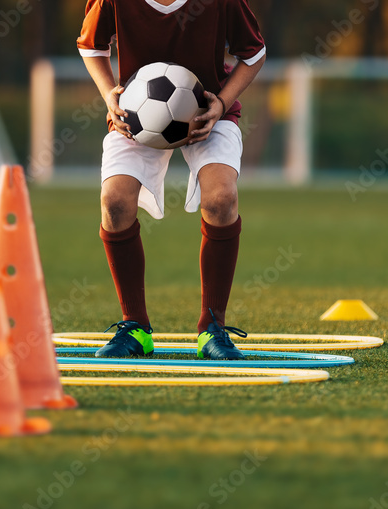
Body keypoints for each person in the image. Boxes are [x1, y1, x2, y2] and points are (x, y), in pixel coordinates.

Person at [78, 0, 266, 359]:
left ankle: (212, 327)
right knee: (114, 202)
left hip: (208, 113)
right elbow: (91, 45)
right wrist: (109, 95)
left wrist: (221, 104)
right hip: (134, 118)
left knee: (221, 198)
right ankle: (135, 327)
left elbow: (254, 53)